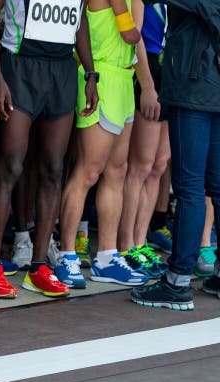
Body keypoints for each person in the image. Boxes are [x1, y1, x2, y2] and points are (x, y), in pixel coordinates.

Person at [0, 0, 97, 299]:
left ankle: (38, 267)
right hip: (19, 66)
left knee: (54, 169)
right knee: (11, 165)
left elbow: (79, 20)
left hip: (62, 71)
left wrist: (90, 75)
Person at [54, 0, 149, 289]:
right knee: (88, 172)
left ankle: (107, 256)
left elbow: (135, 39)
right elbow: (131, 35)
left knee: (117, 171)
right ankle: (66, 254)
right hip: (100, 77)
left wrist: (147, 84)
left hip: (123, 79)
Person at [132, 0, 220, 310]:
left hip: (194, 86)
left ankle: (178, 281)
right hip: (211, 86)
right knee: (215, 187)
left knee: (190, 187)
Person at [117, 1, 168, 279]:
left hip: (173, 73)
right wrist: (147, 84)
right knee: (142, 164)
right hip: (148, 70)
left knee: (159, 164)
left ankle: (140, 241)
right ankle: (126, 245)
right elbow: (135, 38)